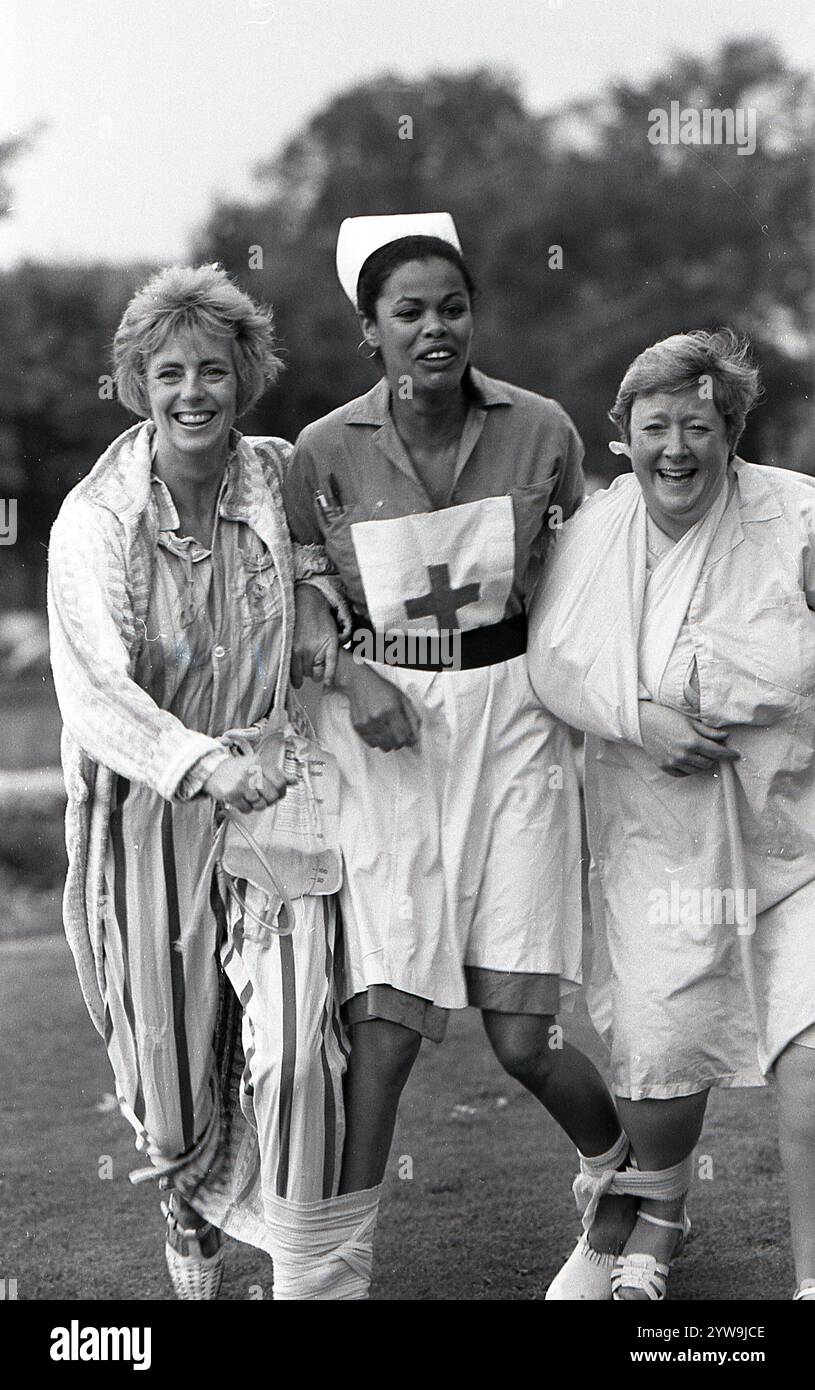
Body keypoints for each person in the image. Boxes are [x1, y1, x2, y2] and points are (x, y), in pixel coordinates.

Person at [284, 212, 638, 1294]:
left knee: (521, 1038)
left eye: (452, 307)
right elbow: (302, 598)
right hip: (382, 729)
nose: (435, 328)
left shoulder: (540, 431)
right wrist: (351, 673)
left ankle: (622, 1189)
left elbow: (589, 580)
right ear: (369, 333)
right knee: (380, 1030)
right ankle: (329, 1271)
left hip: (514, 723)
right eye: (409, 312)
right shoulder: (321, 452)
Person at [47, 264, 379, 1301]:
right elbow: (94, 688)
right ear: (138, 384)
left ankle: (303, 1275)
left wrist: (327, 617)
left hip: (278, 802)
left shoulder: (278, 475)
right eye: (169, 373)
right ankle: (187, 1216)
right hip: (147, 812)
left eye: (214, 371)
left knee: (293, 1052)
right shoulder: (95, 518)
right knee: (172, 1094)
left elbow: (328, 574)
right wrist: (198, 764)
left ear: (247, 375)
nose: (194, 392)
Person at [528, 329, 815, 1301]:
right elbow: (553, 662)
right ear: (622, 435)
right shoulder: (594, 534)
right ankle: (649, 1216)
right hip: (655, 839)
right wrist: (635, 714)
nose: (677, 448)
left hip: (793, 832)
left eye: (699, 424)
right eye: (656, 427)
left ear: (731, 430)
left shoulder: (795, 518)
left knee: (811, 1057)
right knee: (657, 1056)